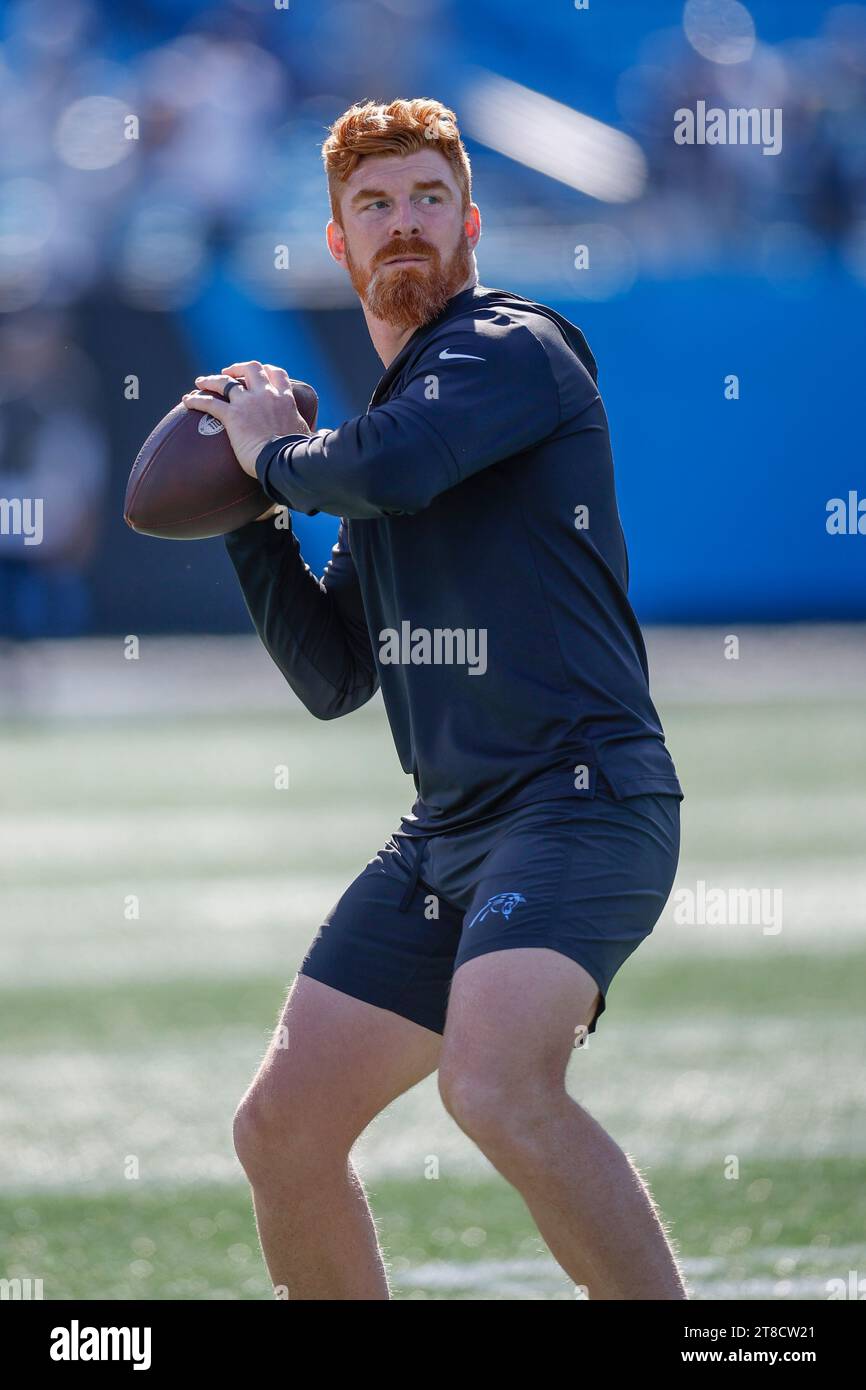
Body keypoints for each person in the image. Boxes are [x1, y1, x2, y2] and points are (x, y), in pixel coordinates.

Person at [183, 98, 687, 1301]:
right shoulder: (385, 433)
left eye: (423, 201)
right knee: (280, 1132)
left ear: (468, 224)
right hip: (446, 831)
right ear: (338, 244)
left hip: (580, 802)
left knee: (497, 1081)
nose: (400, 224)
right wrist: (252, 521)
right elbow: (334, 676)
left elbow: (389, 470)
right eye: (373, 207)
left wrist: (268, 455)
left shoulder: (506, 346)